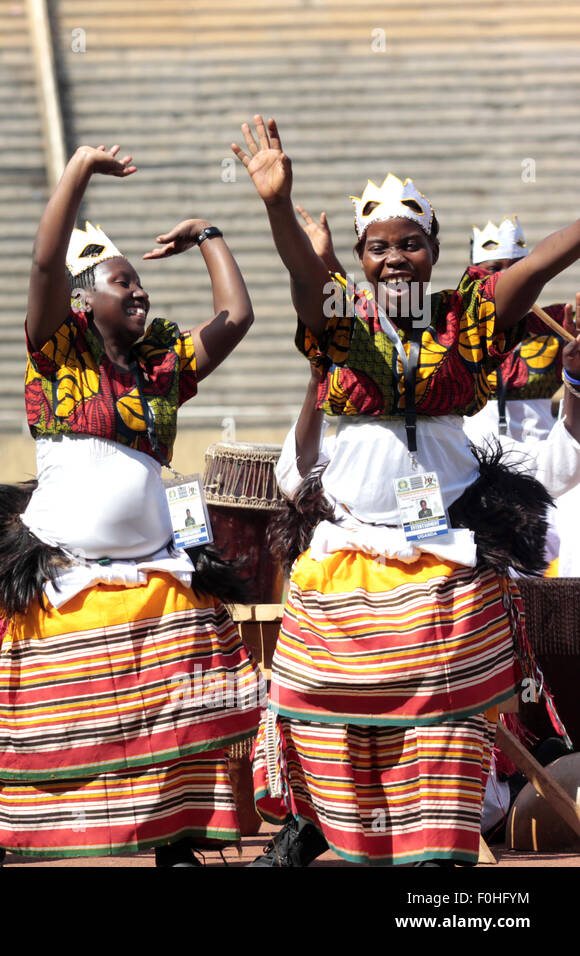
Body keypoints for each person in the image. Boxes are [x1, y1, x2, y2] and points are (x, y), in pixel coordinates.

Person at [233, 114, 580, 865]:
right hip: (350, 553)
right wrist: (275, 206)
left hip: (448, 558)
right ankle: (324, 831)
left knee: (449, 724)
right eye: (379, 247)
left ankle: (441, 861)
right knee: (325, 710)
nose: (395, 259)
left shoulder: (471, 315)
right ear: (359, 258)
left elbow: (544, 263)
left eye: (411, 243)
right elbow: (302, 275)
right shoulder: (339, 318)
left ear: (436, 250)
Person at [0, 144, 261, 866]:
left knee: (174, 707)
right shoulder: (60, 351)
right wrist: (79, 169)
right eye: (126, 284)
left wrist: (209, 233)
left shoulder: (161, 368)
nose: (141, 293)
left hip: (154, 573)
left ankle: (174, 834)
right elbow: (45, 265)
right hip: (63, 570)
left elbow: (236, 317)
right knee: (34, 717)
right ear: (87, 300)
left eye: (143, 284)